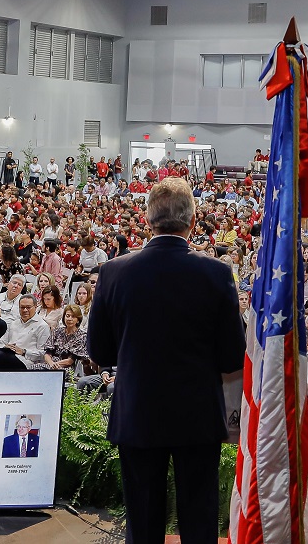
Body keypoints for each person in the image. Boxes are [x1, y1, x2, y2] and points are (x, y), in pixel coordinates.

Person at [85, 178, 244, 544]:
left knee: (142, 523)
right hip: (197, 414)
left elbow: (100, 352)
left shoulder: (113, 272)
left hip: (138, 411)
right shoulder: (216, 273)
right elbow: (232, 356)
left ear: (147, 219)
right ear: (193, 221)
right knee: (199, 521)